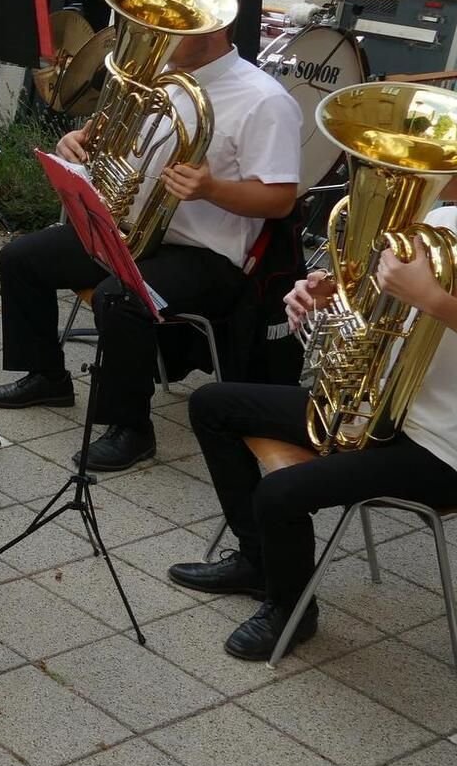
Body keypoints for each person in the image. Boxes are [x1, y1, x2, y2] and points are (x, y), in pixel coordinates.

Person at [0, 19, 301, 470]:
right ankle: (48, 376)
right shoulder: (157, 76)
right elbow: (105, 136)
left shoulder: (265, 100)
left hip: (206, 256)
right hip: (132, 234)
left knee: (121, 299)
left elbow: (282, 199)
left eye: (173, 30)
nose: (158, 39)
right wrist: (77, 142)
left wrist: (212, 188)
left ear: (215, 29)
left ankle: (131, 428)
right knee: (21, 259)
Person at [167, 220, 457, 660]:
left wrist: (433, 300)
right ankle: (259, 564)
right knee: (213, 406)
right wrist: (325, 304)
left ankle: (292, 611)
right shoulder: (441, 221)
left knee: (280, 493)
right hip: (379, 405)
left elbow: (424, 304)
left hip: (441, 446)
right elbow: (381, 315)